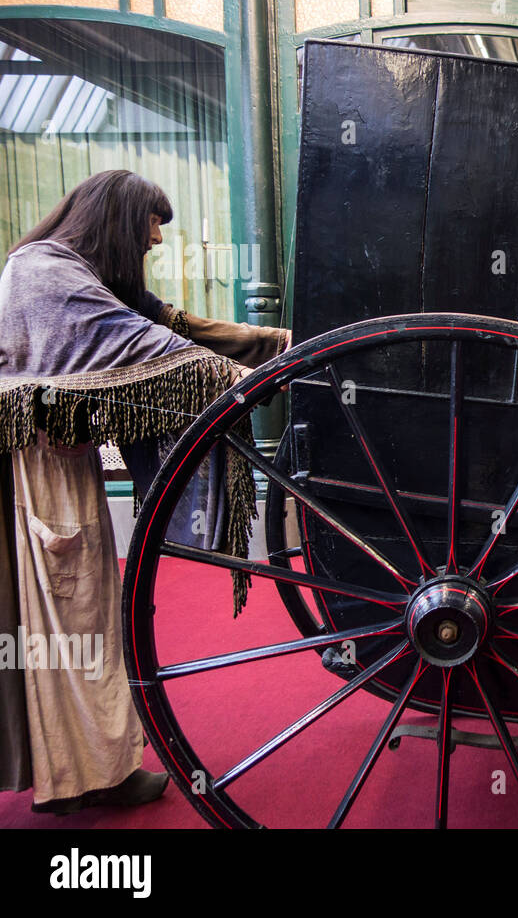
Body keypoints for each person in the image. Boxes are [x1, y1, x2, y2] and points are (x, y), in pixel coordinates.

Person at [0, 170, 290, 814]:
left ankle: (77, 771)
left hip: (54, 468)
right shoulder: (46, 274)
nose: (157, 239)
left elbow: (178, 326)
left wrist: (286, 348)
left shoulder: (71, 273)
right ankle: (88, 776)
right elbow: (154, 346)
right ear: (115, 222)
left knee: (72, 618)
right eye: (150, 225)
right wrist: (247, 382)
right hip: (38, 473)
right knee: (73, 618)